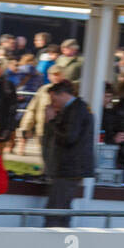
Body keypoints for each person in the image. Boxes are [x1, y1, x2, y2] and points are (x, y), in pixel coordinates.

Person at [41, 79, 93, 225]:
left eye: (53, 98)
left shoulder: (76, 110)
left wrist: (51, 121)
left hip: (69, 168)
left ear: (63, 94)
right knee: (61, 208)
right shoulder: (76, 109)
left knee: (55, 211)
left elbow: (68, 137)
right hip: (70, 168)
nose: (52, 103)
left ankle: (55, 241)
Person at [15, 63, 65, 152]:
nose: (55, 77)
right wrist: (25, 127)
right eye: (52, 75)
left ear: (63, 75)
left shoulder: (69, 91)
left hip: (61, 132)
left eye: (58, 75)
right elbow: (32, 110)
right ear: (49, 76)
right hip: (42, 131)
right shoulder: (43, 90)